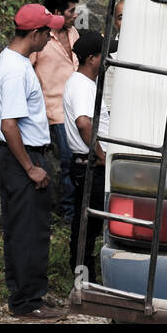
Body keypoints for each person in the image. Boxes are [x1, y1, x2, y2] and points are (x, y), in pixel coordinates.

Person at [0, 3, 66, 319]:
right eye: (47, 32)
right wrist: (29, 166)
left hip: (18, 155)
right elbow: (8, 124)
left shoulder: (10, 61)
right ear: (34, 33)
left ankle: (32, 296)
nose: (51, 37)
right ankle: (26, 303)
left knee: (29, 229)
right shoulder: (14, 69)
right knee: (26, 232)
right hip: (23, 158)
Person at [64, 30, 111, 285]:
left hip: (88, 161)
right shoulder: (82, 85)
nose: (107, 58)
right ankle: (84, 278)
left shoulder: (84, 83)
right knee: (89, 226)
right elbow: (83, 123)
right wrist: (102, 154)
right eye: (103, 54)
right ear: (92, 58)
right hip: (91, 163)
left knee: (88, 223)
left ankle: (85, 275)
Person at [30, 0, 80, 224]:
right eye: (71, 10)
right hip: (56, 111)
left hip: (79, 109)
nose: (76, 15)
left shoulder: (73, 34)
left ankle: (79, 210)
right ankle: (69, 214)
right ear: (58, 13)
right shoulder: (41, 38)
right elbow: (27, 69)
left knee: (81, 161)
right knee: (67, 162)